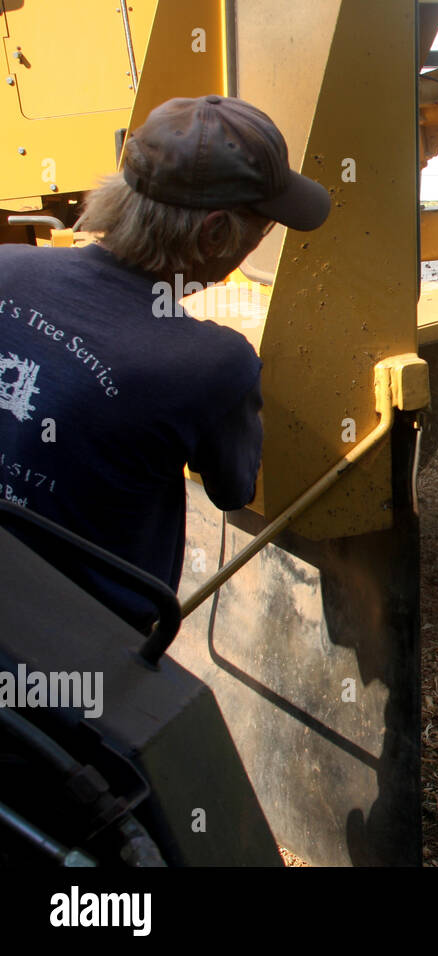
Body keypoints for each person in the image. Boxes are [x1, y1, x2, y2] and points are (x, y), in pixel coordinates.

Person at [0, 95, 331, 631]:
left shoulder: (5, 267)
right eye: (264, 228)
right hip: (89, 657)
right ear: (216, 234)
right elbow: (232, 490)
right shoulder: (212, 362)